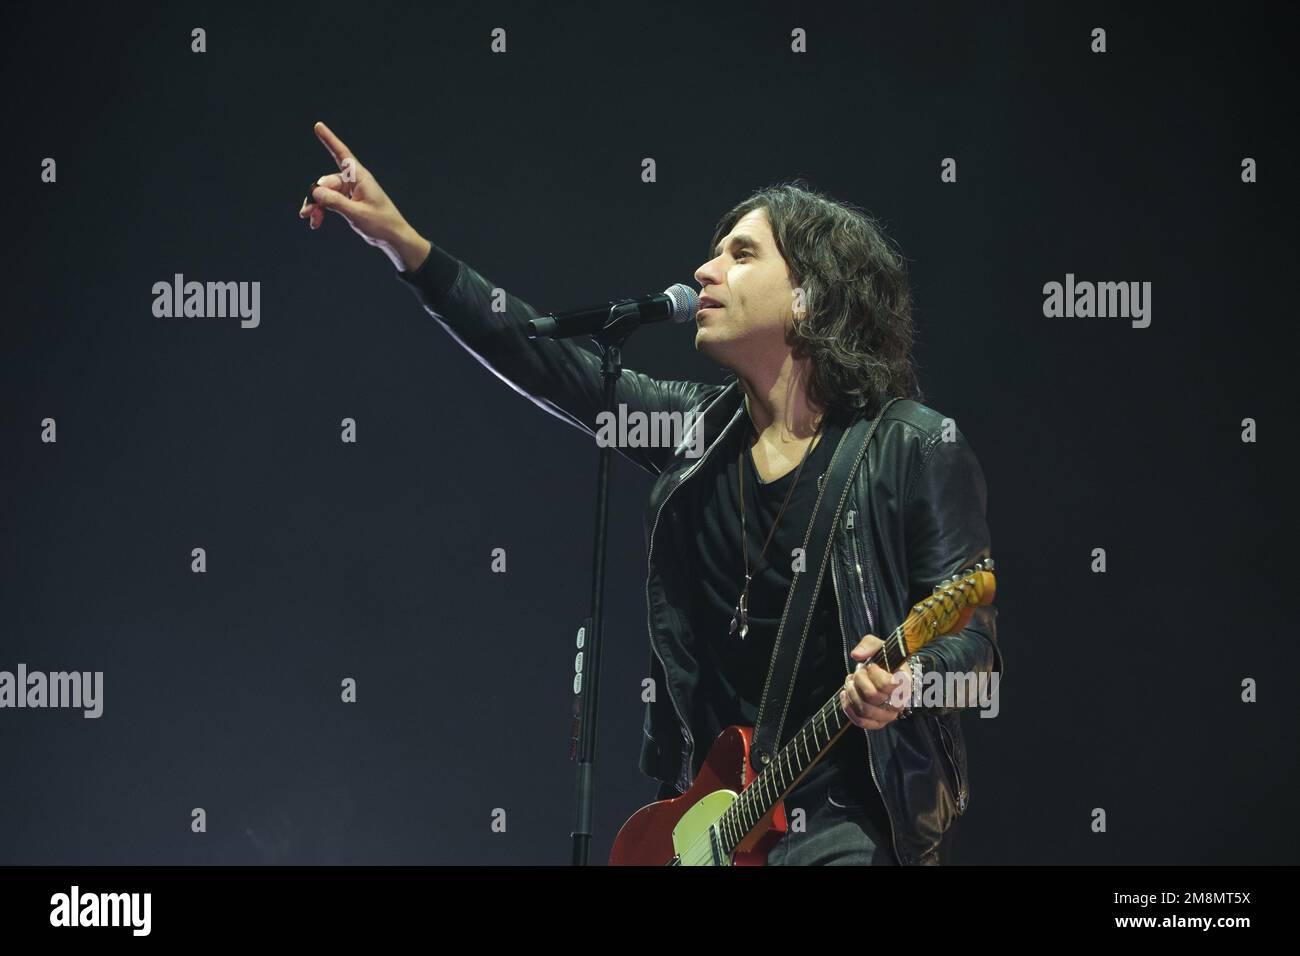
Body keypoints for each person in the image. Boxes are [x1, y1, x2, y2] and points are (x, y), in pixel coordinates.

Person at [299, 121, 1002, 865]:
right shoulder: (697, 434)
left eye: (741, 254)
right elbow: (545, 362)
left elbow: (979, 652)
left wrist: (910, 684)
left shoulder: (913, 447)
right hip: (718, 821)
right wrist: (403, 244)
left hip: (843, 820)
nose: (704, 270)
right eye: (713, 251)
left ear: (809, 298)